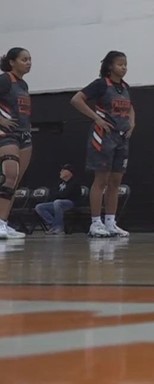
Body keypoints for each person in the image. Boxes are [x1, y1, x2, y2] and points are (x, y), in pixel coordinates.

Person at [71, 51, 135, 238]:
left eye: (125, 64)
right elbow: (76, 99)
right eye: (120, 64)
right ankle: (95, 222)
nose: (124, 67)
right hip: (103, 137)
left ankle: (110, 222)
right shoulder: (100, 84)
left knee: (116, 182)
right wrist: (96, 118)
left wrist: (132, 123)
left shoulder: (124, 87)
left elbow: (130, 107)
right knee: (101, 180)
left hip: (121, 138)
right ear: (109, 67)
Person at [0, 47, 34, 240]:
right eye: (24, 59)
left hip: (24, 134)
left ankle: (3, 222)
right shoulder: (5, 80)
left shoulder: (24, 85)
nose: (28, 62)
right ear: (12, 62)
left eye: (30, 59)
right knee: (10, 176)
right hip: (7, 133)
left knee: (15, 182)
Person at [35, 164, 84, 234]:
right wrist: (57, 195)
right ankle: (53, 225)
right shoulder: (59, 183)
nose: (60, 172)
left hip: (71, 203)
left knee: (58, 202)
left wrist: (57, 195)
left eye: (63, 170)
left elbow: (65, 194)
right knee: (39, 207)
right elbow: (52, 192)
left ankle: (59, 227)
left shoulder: (75, 183)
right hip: (57, 203)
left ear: (69, 172)